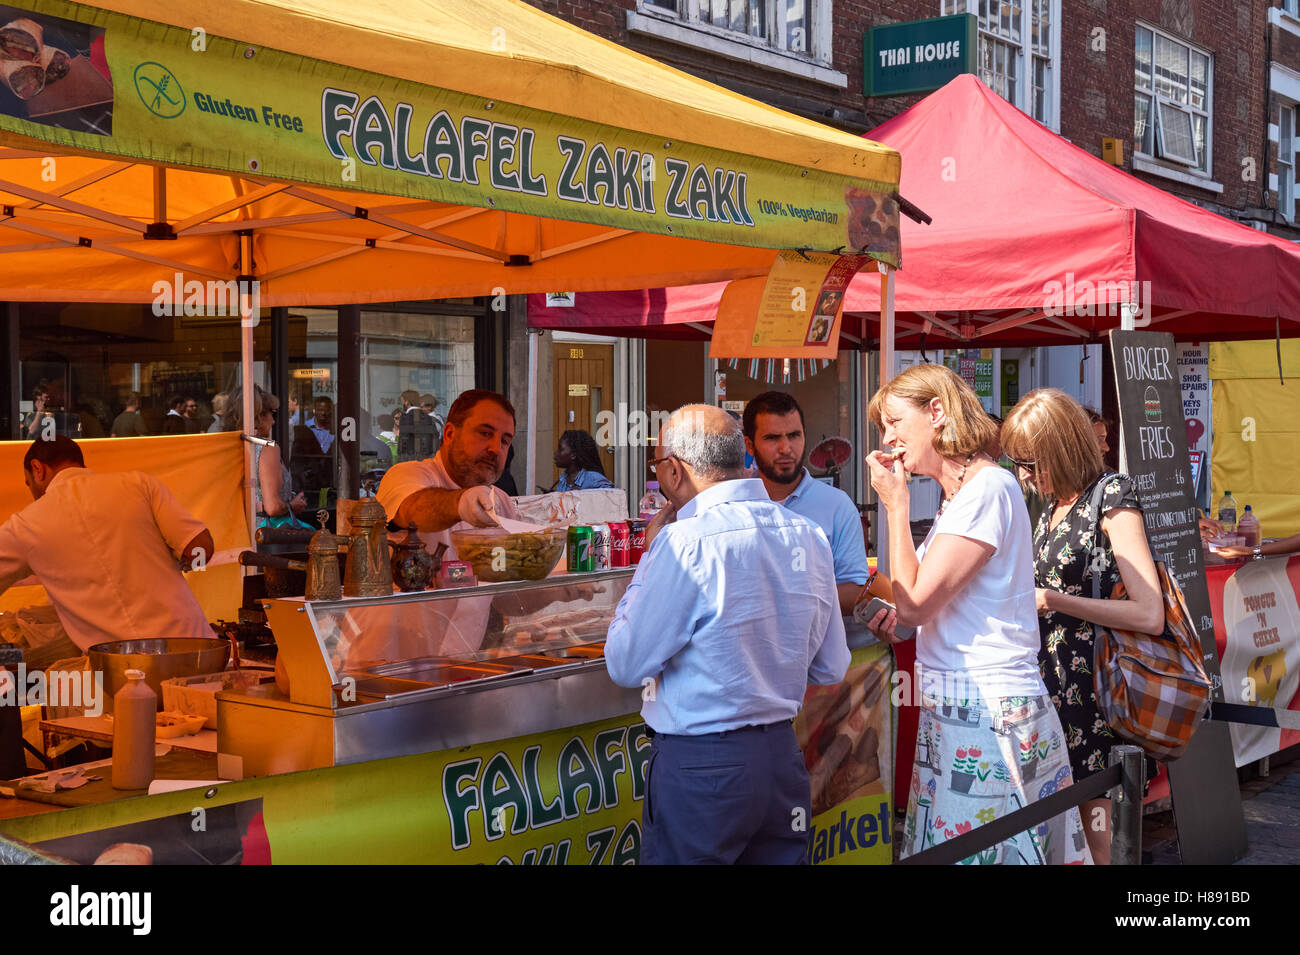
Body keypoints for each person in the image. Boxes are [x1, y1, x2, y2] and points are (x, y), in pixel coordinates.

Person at [864, 364, 1089, 865]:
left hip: (988, 709)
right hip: (963, 705)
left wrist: (896, 508)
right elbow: (922, 604)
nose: (888, 439)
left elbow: (917, 603)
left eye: (895, 422)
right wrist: (896, 612)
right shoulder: (961, 495)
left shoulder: (987, 489)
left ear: (937, 413)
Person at [605, 404, 848, 865]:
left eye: (658, 468)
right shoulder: (808, 535)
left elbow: (625, 661)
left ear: (674, 471)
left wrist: (651, 555)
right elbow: (831, 664)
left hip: (702, 766)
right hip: (780, 757)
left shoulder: (683, 542)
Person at [1001, 388, 1164, 865]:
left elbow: (1148, 612)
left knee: (1101, 841)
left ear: (1060, 447)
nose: (1025, 477)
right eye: (1019, 464)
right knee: (1071, 838)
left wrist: (1050, 599)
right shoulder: (1053, 508)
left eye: (1031, 463)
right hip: (1054, 690)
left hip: (1099, 693)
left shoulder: (1111, 495)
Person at [0, 436, 214, 653]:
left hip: (122, 669)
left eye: (29, 484)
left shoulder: (25, 525)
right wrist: (185, 563)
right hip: (195, 648)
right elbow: (199, 547)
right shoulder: (138, 484)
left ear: (38, 469)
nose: (33, 494)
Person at [741, 391, 868, 632]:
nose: (785, 448)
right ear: (750, 445)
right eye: (772, 438)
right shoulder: (733, 503)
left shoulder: (836, 505)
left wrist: (781, 602)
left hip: (816, 660)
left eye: (794, 435)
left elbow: (853, 591)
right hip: (744, 659)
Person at [378, 388, 519, 548]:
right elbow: (411, 510)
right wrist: (462, 503)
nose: (496, 448)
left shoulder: (502, 502)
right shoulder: (407, 474)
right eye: (485, 433)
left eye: (505, 441)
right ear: (450, 434)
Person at [227, 386, 309, 529]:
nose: (273, 421)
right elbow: (273, 508)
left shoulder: (228, 446)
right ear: (259, 415)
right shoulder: (267, 448)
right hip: (264, 534)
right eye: (272, 413)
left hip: (234, 532)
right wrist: (293, 505)